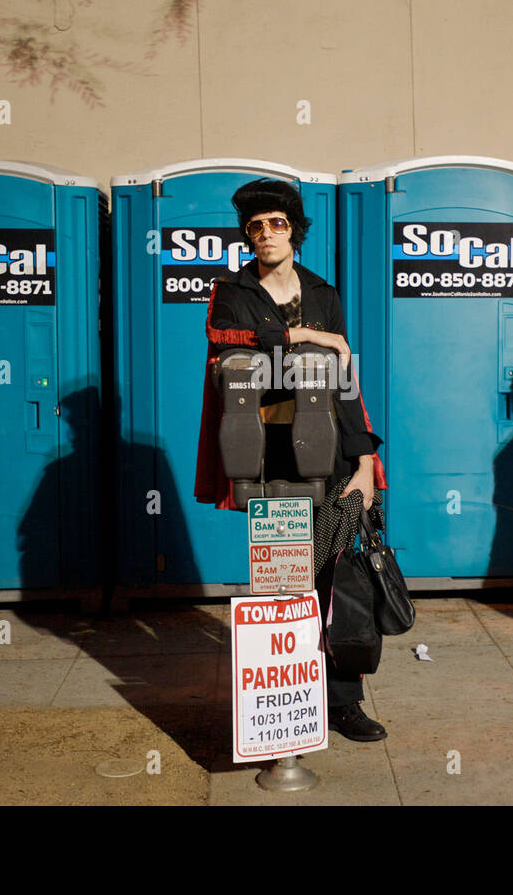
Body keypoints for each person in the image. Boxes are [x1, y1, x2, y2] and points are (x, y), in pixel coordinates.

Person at [195, 178, 390, 740]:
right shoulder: (232, 289)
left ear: (294, 230)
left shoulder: (324, 291)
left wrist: (361, 466)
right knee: (283, 582)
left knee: (338, 579)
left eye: (277, 223)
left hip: (328, 455)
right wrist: (304, 335)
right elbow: (227, 338)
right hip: (265, 460)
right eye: (255, 226)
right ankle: (288, 707)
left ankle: (344, 702)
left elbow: (345, 381)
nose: (266, 234)